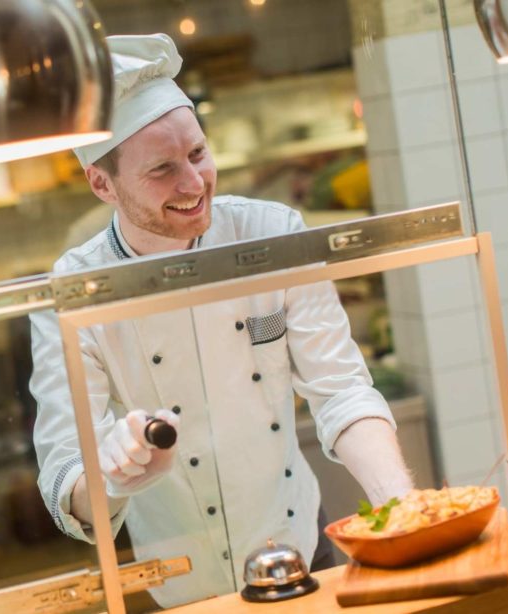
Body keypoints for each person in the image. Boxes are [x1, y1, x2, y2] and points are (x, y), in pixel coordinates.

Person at [29, 33, 414, 608]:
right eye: (161, 169)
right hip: (182, 585)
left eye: (198, 154)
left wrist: (402, 506)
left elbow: (341, 392)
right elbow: (64, 473)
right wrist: (112, 477)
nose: (193, 184)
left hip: (302, 552)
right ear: (102, 183)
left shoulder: (272, 235)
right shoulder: (76, 288)